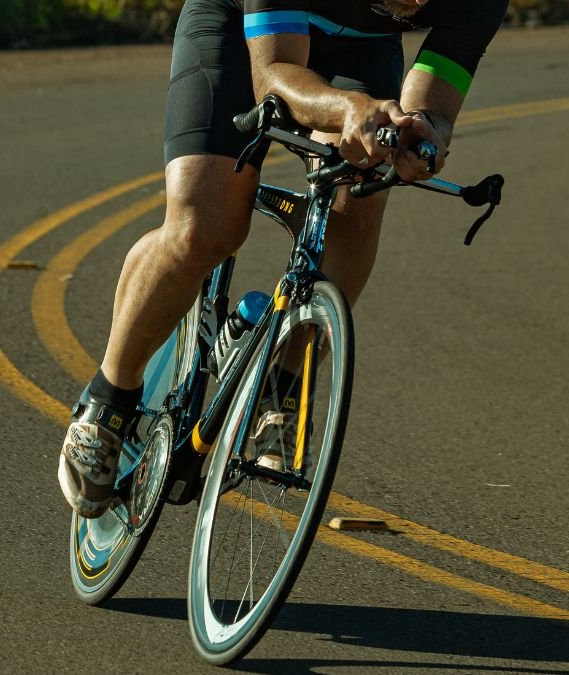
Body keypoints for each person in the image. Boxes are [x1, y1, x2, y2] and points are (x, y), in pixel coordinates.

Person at [59, 0, 510, 517]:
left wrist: (422, 135)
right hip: (239, 30)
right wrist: (348, 109)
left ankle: (283, 386)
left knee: (359, 198)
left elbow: (435, 105)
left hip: (360, 49)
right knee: (204, 227)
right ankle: (109, 399)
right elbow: (273, 74)